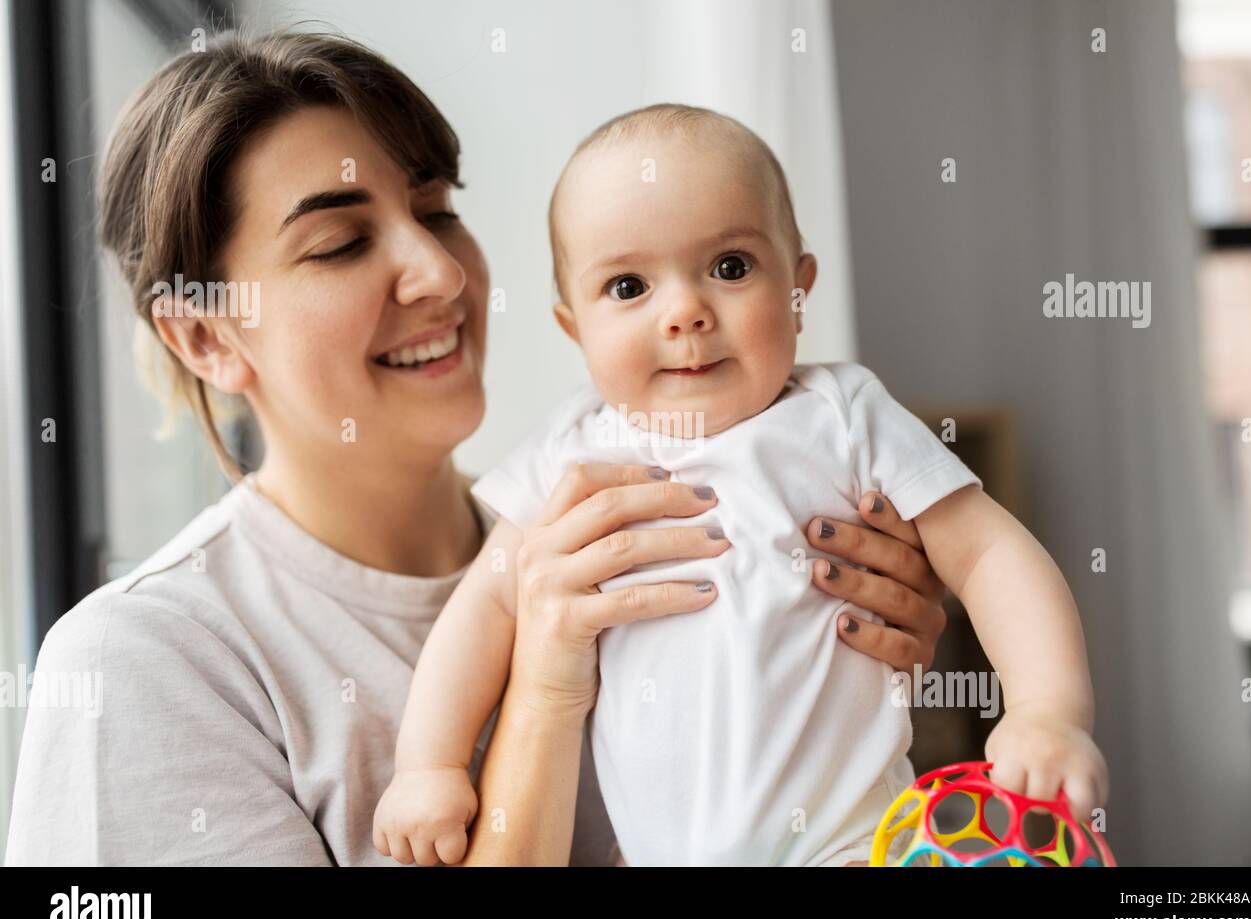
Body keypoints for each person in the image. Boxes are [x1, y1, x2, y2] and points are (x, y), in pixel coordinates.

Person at [3, 33, 952, 867]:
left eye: (437, 210)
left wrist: (846, 658)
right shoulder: (147, 663)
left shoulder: (648, 515)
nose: (440, 272)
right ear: (207, 336)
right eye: (340, 243)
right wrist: (542, 690)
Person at [375, 105, 1108, 866]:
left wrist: (1047, 710)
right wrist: (429, 764)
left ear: (799, 289)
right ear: (575, 328)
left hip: (849, 845)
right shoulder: (571, 450)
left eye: (730, 268)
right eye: (628, 285)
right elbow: (488, 605)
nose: (685, 313)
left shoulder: (844, 416)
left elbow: (989, 554)